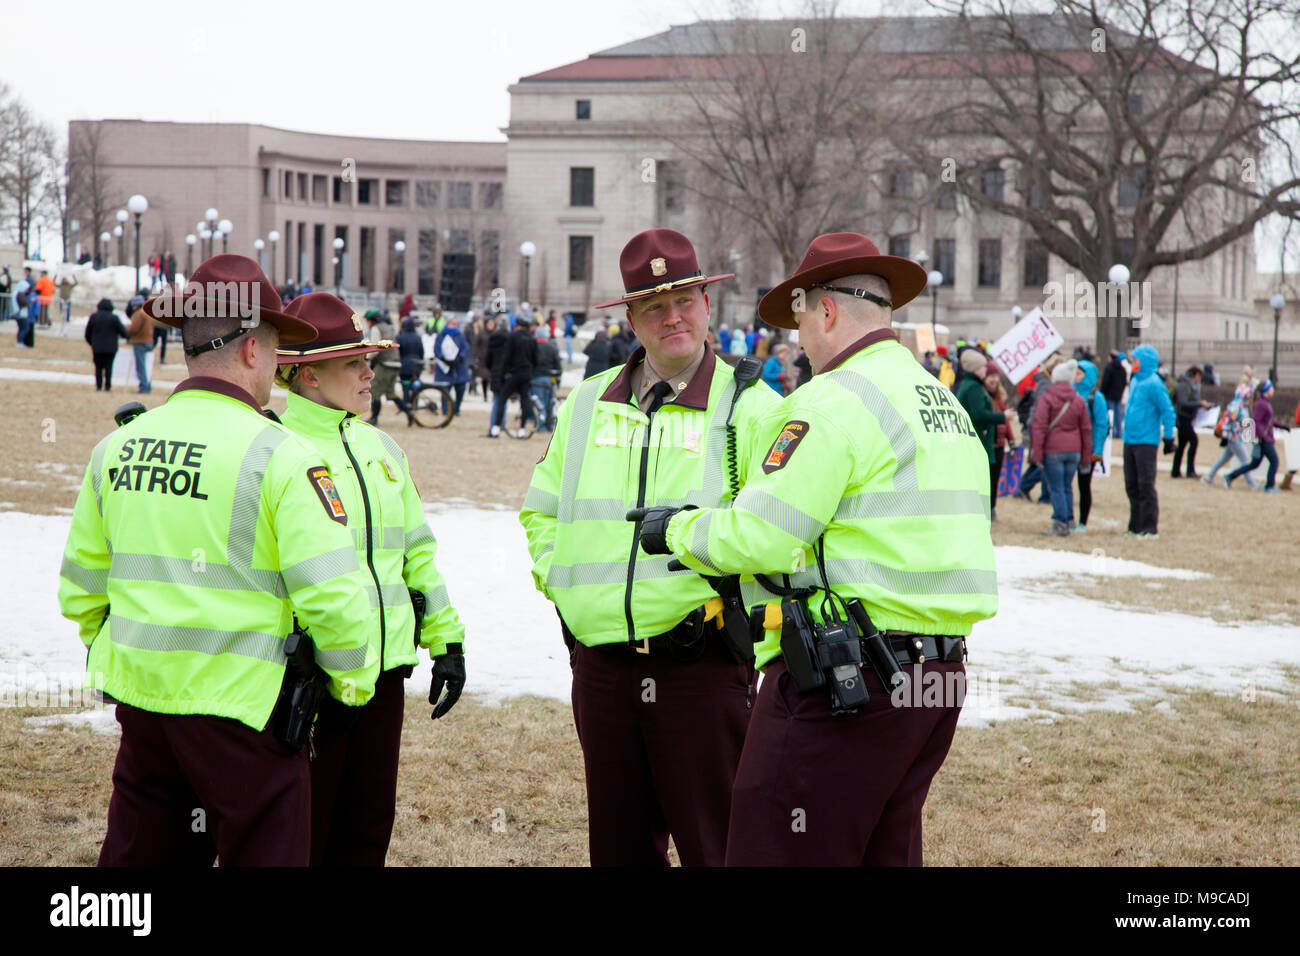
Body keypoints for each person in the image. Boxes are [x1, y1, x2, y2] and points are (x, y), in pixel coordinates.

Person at [632, 232, 996, 866]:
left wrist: (677, 530)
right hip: (933, 680)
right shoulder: (941, 403)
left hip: (848, 680)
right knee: (884, 848)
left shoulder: (832, 401)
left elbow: (764, 535)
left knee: (776, 844)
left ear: (825, 310)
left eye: (798, 316)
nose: (797, 336)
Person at [57, 254, 378, 866]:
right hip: (248, 709)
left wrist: (116, 657)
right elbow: (333, 596)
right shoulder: (281, 455)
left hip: (144, 700)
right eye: (278, 349)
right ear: (255, 351)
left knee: (138, 857)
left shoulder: (117, 448)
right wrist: (349, 689)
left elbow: (81, 583)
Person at [520, 228, 780, 867]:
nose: (674, 317)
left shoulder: (753, 408)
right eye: (655, 306)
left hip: (704, 669)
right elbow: (541, 511)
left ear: (708, 305)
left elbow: (776, 534)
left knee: (716, 847)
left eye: (686, 299)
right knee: (618, 850)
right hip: (602, 670)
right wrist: (566, 587)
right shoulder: (585, 403)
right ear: (631, 318)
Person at [274, 292, 466, 866]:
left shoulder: (383, 447)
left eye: (369, 358)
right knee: (308, 831)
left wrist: (447, 640)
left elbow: (416, 554)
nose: (369, 372)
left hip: (384, 675)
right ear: (307, 375)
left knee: (368, 825)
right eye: (353, 361)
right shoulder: (278, 450)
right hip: (313, 681)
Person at [1030, 359, 1091, 536]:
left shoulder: (1047, 397)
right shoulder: (1079, 400)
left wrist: (1037, 453)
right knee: (1066, 486)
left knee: (1056, 487)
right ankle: (1069, 519)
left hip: (1053, 449)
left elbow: (1039, 426)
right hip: (1074, 451)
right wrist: (1086, 457)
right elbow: (1086, 430)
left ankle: (1060, 522)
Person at [1121, 344, 1176, 538]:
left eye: (1135, 360)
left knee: (1145, 484)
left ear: (1144, 362)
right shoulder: (1135, 380)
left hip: (1146, 441)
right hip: (1130, 439)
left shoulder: (1154, 383)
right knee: (1131, 484)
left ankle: (1149, 527)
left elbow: (1167, 410)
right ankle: (1134, 526)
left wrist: (1168, 437)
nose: (1132, 363)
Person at [955, 348, 1009, 523]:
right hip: (978, 440)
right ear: (976, 368)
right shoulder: (973, 387)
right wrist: (1003, 417)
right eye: (983, 367)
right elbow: (979, 414)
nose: (986, 370)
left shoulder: (969, 385)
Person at [1073, 358, 1109, 532]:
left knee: (1084, 485)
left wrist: (1098, 450)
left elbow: (1102, 425)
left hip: (1088, 450)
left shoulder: (1096, 397)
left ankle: (1082, 522)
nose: (1075, 376)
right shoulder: (1070, 392)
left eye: (1079, 373)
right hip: (1070, 447)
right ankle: (1068, 518)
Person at [1225, 380, 1279, 492]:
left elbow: (1268, 421)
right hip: (1263, 439)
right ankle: (1269, 487)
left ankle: (1230, 476)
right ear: (1266, 391)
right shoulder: (1261, 404)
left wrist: (1282, 426)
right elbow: (1256, 422)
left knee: (1254, 464)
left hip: (1264, 438)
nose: (1273, 390)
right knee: (1274, 461)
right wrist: (1263, 437)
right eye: (1271, 388)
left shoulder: (1264, 403)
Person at [363, 309, 409, 425]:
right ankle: (410, 412)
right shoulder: (388, 327)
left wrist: (365, 358)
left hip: (385, 363)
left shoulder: (375, 328)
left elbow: (375, 349)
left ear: (371, 321)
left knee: (374, 389)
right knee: (391, 394)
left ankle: (374, 418)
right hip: (396, 363)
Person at [1171, 366, 1210, 478]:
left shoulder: (1191, 386)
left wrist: (1202, 405)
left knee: (1182, 445)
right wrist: (1199, 404)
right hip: (1182, 418)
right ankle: (1189, 471)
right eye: (1199, 377)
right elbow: (1183, 403)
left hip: (1187, 419)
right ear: (1194, 375)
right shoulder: (1183, 385)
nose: (1199, 380)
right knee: (1193, 441)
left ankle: (1176, 471)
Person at [84, 297, 127, 390]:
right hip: (111, 348)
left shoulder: (94, 317)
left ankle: (98, 386)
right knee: (109, 367)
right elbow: (123, 332)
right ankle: (108, 386)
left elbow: (87, 333)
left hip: (97, 347)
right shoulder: (114, 318)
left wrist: (92, 343)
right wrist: (127, 336)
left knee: (98, 367)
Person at [531, 321, 562, 432]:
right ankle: (549, 425)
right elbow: (558, 366)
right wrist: (557, 379)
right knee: (549, 403)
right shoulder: (552, 347)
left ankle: (541, 426)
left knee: (540, 404)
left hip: (536, 378)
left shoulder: (533, 347)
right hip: (549, 379)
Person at [395, 318, 425, 425]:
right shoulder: (418, 337)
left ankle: (407, 408)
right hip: (416, 367)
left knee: (406, 388)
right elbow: (422, 352)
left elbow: (397, 353)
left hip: (405, 368)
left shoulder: (400, 337)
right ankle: (414, 407)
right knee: (415, 388)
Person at [123, 293, 156, 394]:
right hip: (149, 341)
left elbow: (134, 328)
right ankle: (147, 385)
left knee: (140, 367)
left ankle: (144, 387)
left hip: (140, 342)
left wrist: (125, 327)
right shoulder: (148, 313)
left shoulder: (138, 314)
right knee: (146, 366)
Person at [1100, 349, 1128, 442]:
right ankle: (1119, 432)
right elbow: (1124, 382)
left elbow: (1105, 382)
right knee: (1118, 415)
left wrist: (1103, 393)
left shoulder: (1109, 368)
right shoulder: (1122, 369)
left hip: (1109, 395)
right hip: (1118, 395)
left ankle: (1111, 432)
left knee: (1110, 415)